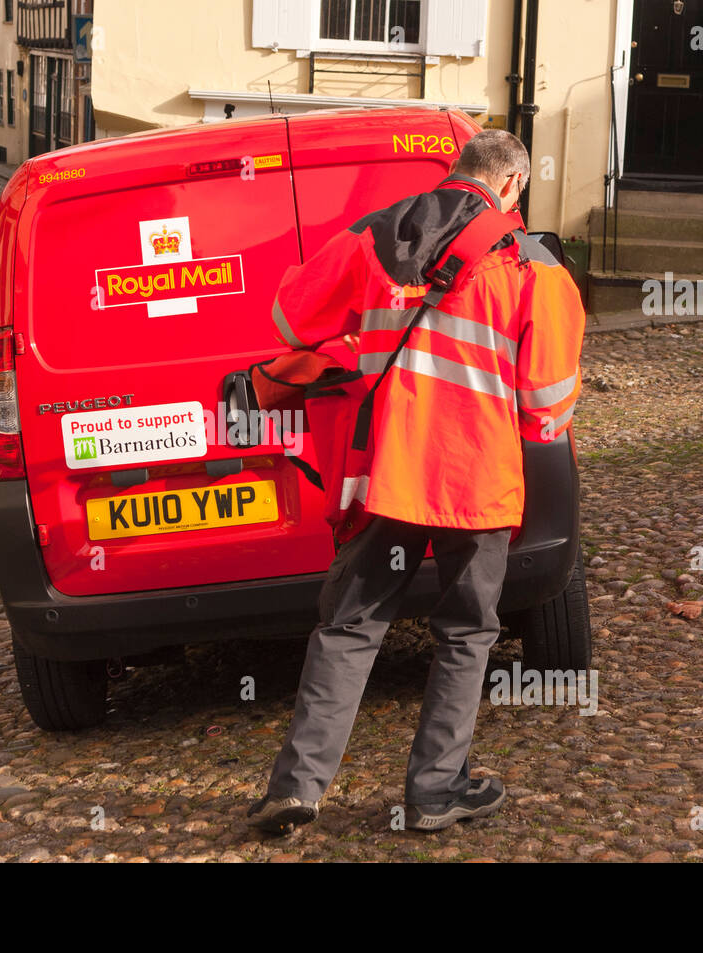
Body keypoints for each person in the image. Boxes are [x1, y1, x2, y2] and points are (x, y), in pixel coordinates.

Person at [248, 129, 586, 835]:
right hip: (475, 479)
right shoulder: (533, 269)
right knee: (466, 630)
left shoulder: (376, 236)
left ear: (454, 174)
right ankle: (435, 789)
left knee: (348, 626)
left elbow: (288, 316)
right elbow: (546, 404)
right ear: (513, 186)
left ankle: (297, 788)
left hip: (387, 473)